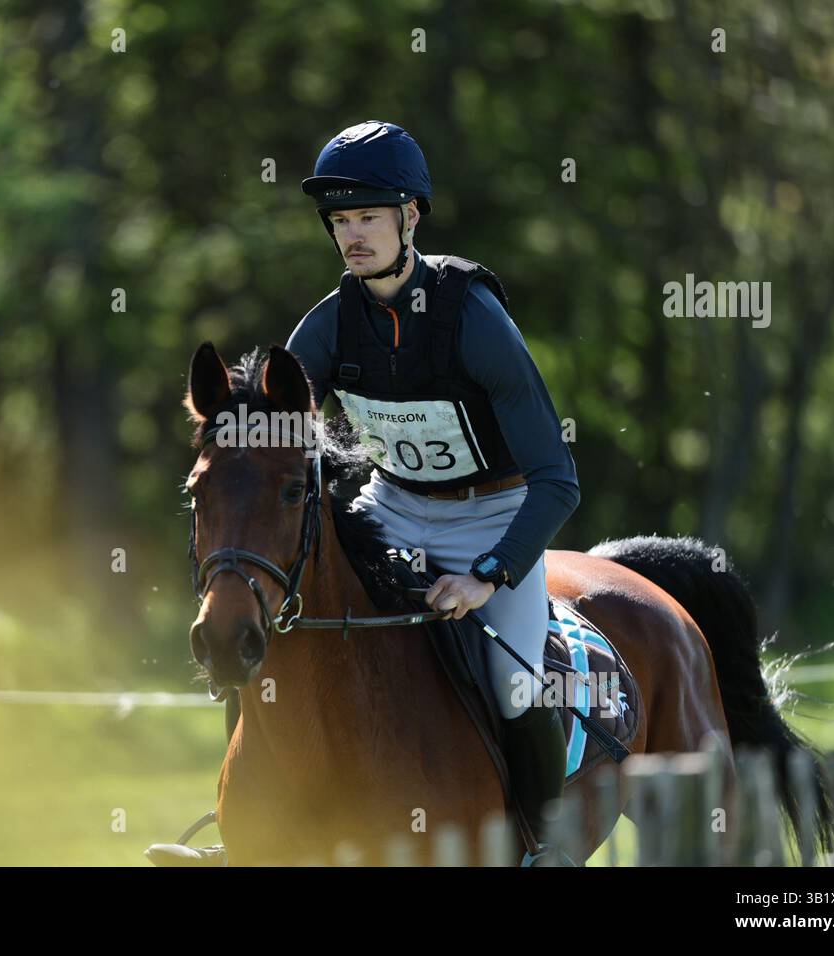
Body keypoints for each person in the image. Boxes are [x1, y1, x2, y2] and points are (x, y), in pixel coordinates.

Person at [285, 120, 581, 864]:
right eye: (341, 221)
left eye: (368, 218)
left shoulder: (474, 320)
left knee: (516, 686)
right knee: (277, 642)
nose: (352, 236)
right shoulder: (323, 331)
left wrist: (489, 576)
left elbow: (558, 481)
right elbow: (283, 453)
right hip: (390, 509)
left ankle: (544, 844)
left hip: (497, 514)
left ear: (410, 217)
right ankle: (251, 827)